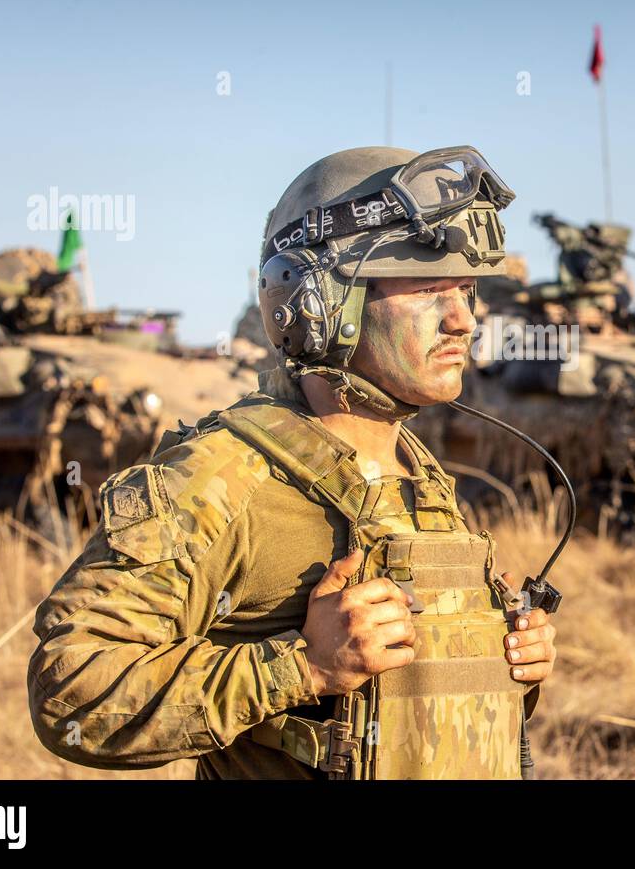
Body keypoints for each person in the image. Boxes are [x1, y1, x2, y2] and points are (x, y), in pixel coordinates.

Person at [27, 146, 558, 779]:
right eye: (427, 288)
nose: (463, 320)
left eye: (467, 289)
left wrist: (508, 667)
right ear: (321, 301)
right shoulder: (219, 479)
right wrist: (299, 667)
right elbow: (72, 693)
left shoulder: (420, 476)